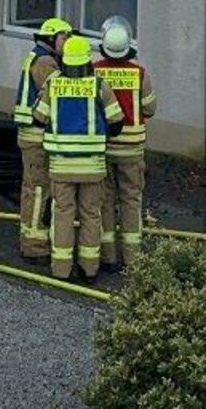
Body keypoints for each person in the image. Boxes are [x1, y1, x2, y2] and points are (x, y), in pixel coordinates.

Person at [33, 34, 124, 281]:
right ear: (87, 61)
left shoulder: (53, 84)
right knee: (91, 215)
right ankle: (89, 269)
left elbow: (38, 119)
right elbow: (117, 123)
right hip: (93, 167)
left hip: (61, 165)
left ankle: (61, 270)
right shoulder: (99, 85)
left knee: (62, 215)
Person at [95, 17, 157, 272]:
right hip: (132, 149)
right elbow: (150, 109)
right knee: (131, 200)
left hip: (104, 147)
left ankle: (108, 257)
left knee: (105, 200)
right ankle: (133, 258)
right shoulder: (140, 73)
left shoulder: (95, 71)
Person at [10, 17, 70, 260]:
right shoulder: (46, 62)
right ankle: (34, 247)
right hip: (37, 137)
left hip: (30, 135)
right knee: (38, 192)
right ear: (51, 38)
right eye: (64, 37)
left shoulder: (36, 56)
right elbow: (58, 95)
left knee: (31, 190)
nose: (67, 42)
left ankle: (29, 238)